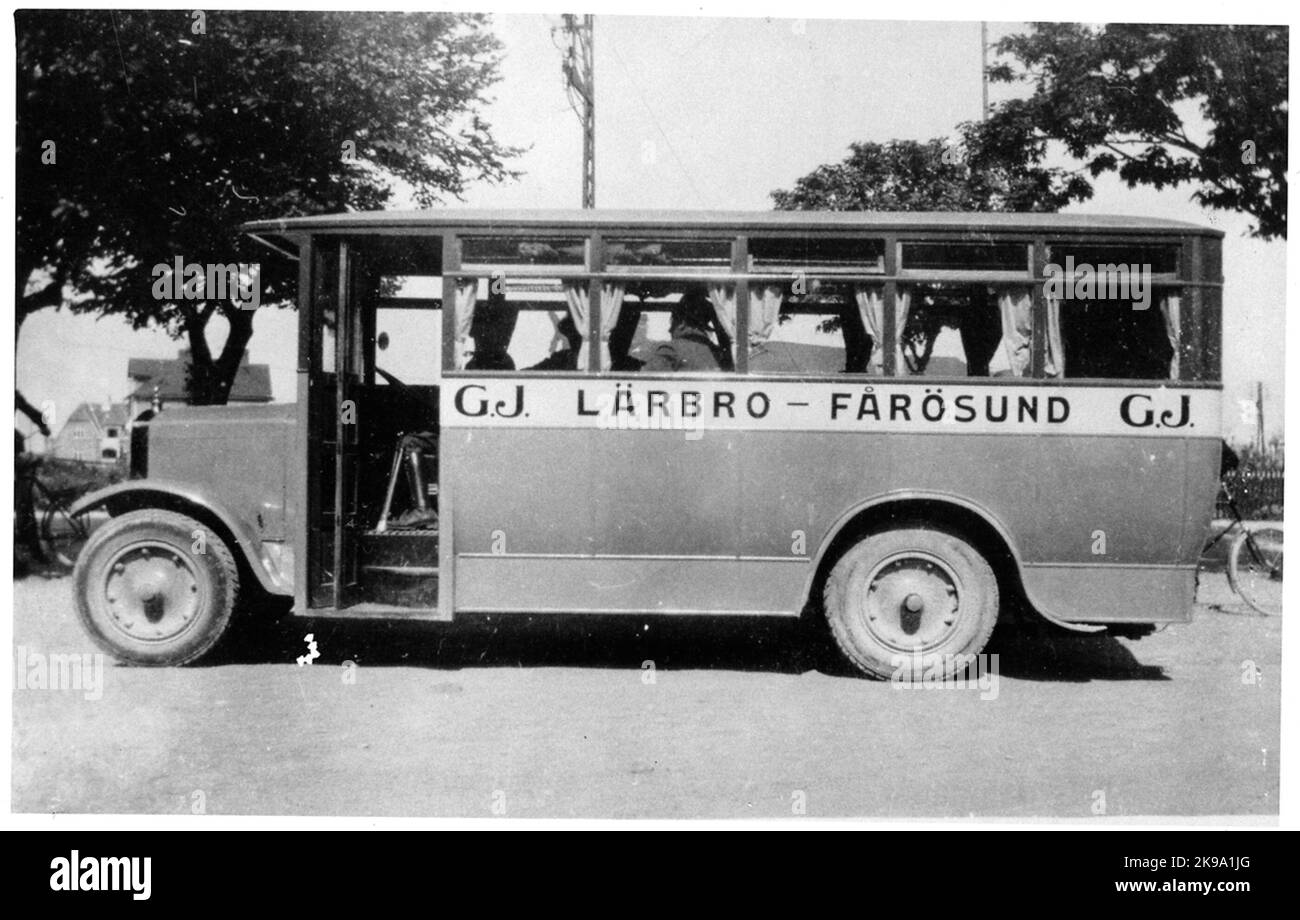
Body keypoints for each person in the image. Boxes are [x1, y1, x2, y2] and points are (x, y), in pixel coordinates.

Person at [639, 288, 728, 373]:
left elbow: (641, 382)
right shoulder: (720, 354)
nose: (669, 330)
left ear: (682, 323)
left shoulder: (670, 351)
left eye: (672, 323)